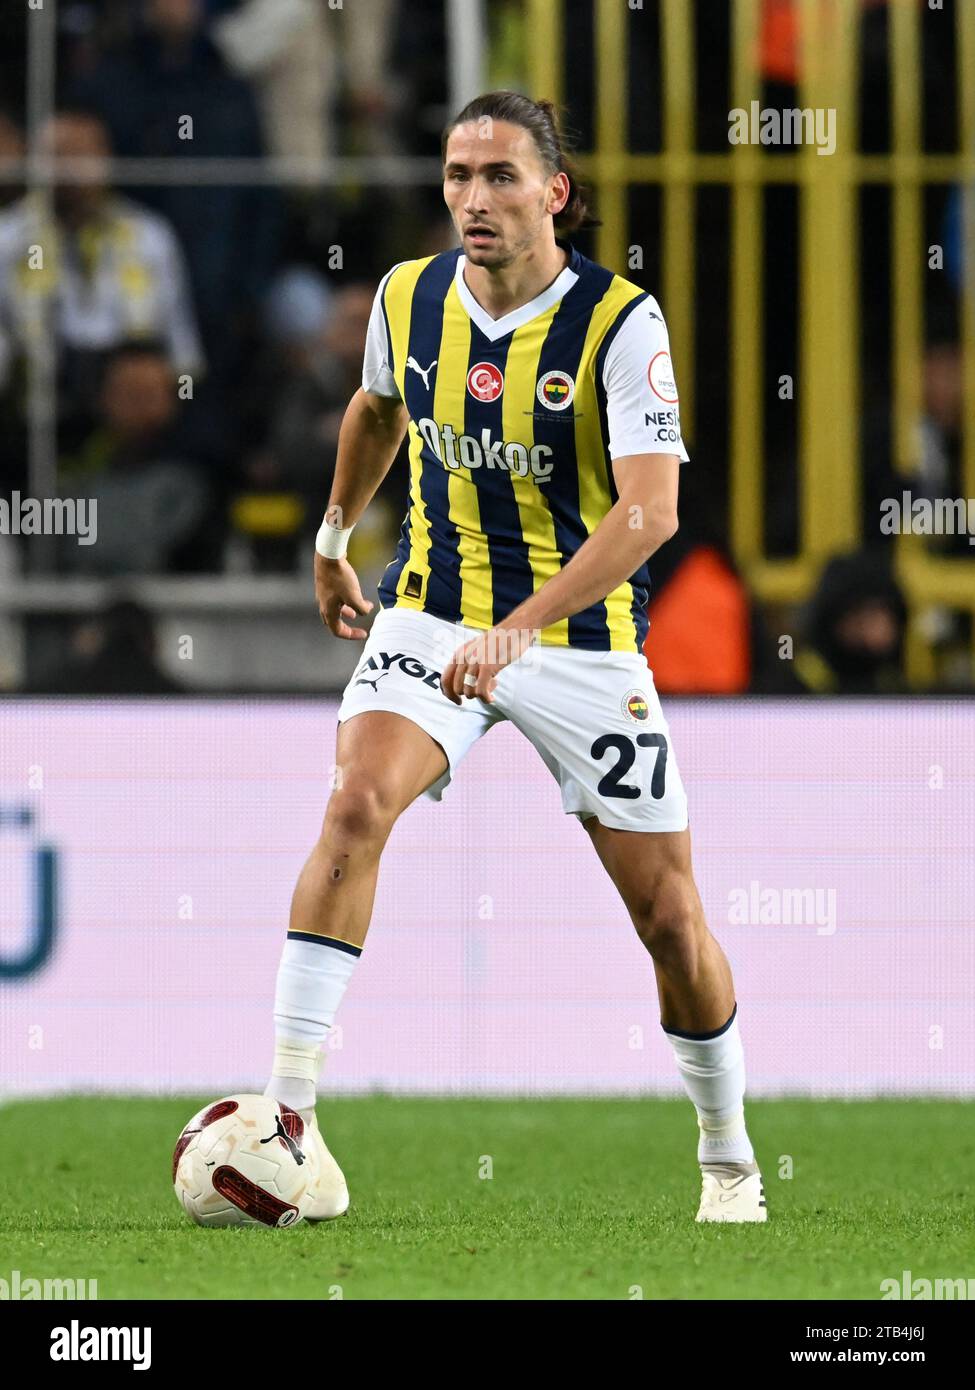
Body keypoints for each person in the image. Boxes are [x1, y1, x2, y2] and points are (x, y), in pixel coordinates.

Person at [262, 92, 767, 1225]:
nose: (472, 199)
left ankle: (727, 1156)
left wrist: (525, 625)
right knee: (353, 806)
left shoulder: (620, 324)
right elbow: (379, 410)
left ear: (556, 192)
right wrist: (336, 535)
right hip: (431, 613)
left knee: (670, 919)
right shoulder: (407, 295)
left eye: (498, 177)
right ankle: (285, 1119)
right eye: (456, 176)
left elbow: (649, 514)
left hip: (581, 642)